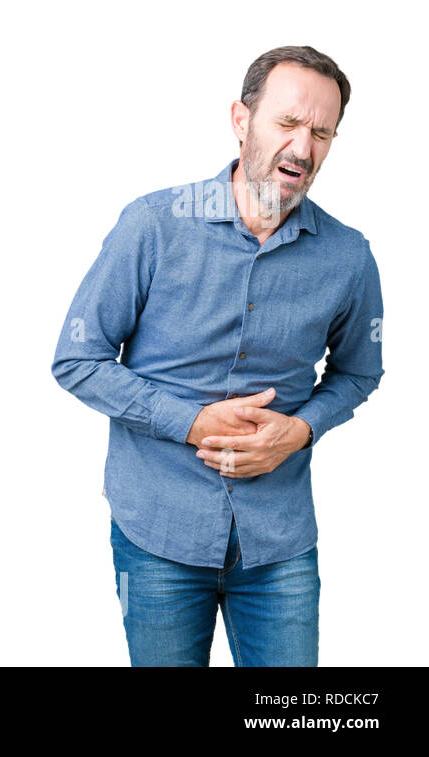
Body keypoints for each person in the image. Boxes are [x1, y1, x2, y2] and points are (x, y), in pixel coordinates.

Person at [52, 45, 383, 666]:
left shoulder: (348, 255)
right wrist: (193, 422)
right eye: (287, 123)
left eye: (321, 132)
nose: (304, 148)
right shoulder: (151, 225)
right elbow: (77, 360)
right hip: (158, 533)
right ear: (241, 119)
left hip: (279, 543)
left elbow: (360, 372)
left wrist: (301, 429)